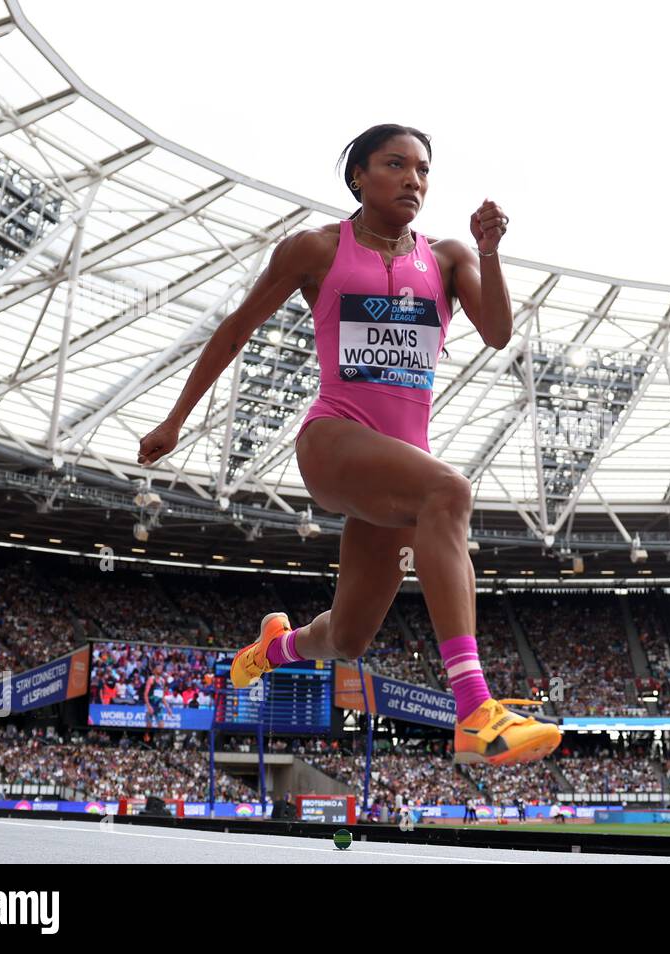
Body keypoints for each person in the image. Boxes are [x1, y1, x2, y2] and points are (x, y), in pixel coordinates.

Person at [137, 124, 559, 767]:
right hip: (334, 439)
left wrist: (489, 250)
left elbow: (498, 333)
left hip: (396, 466)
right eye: (396, 165)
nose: (413, 180)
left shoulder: (446, 258)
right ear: (358, 176)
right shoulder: (315, 248)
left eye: (422, 170)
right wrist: (175, 421)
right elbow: (235, 330)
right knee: (450, 491)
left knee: (348, 636)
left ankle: (273, 646)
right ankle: (475, 710)